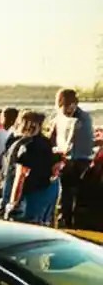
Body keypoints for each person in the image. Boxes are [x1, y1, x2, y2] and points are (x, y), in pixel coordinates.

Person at [48, 88, 94, 228]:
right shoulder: (59, 118)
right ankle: (64, 221)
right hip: (66, 159)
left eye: (68, 106)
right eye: (63, 106)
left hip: (79, 161)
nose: (66, 110)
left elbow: (77, 143)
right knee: (66, 194)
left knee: (75, 194)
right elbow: (53, 137)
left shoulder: (83, 118)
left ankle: (72, 222)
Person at [6, 112, 58, 225]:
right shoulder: (46, 143)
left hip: (30, 195)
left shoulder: (26, 147)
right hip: (45, 191)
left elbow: (21, 176)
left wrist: (13, 203)